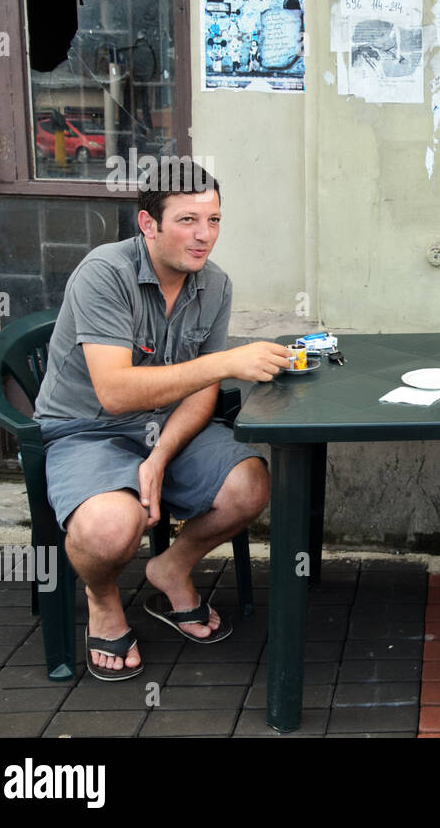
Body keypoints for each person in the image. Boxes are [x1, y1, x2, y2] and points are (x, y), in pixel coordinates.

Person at [33, 162, 292, 681]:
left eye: (215, 220)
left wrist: (159, 457)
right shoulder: (105, 272)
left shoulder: (214, 286)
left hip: (165, 428)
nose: (204, 236)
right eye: (188, 220)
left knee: (250, 483)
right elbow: (116, 391)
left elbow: (200, 394)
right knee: (110, 528)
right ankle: (103, 598)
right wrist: (223, 362)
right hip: (88, 429)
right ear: (147, 224)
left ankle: (171, 565)